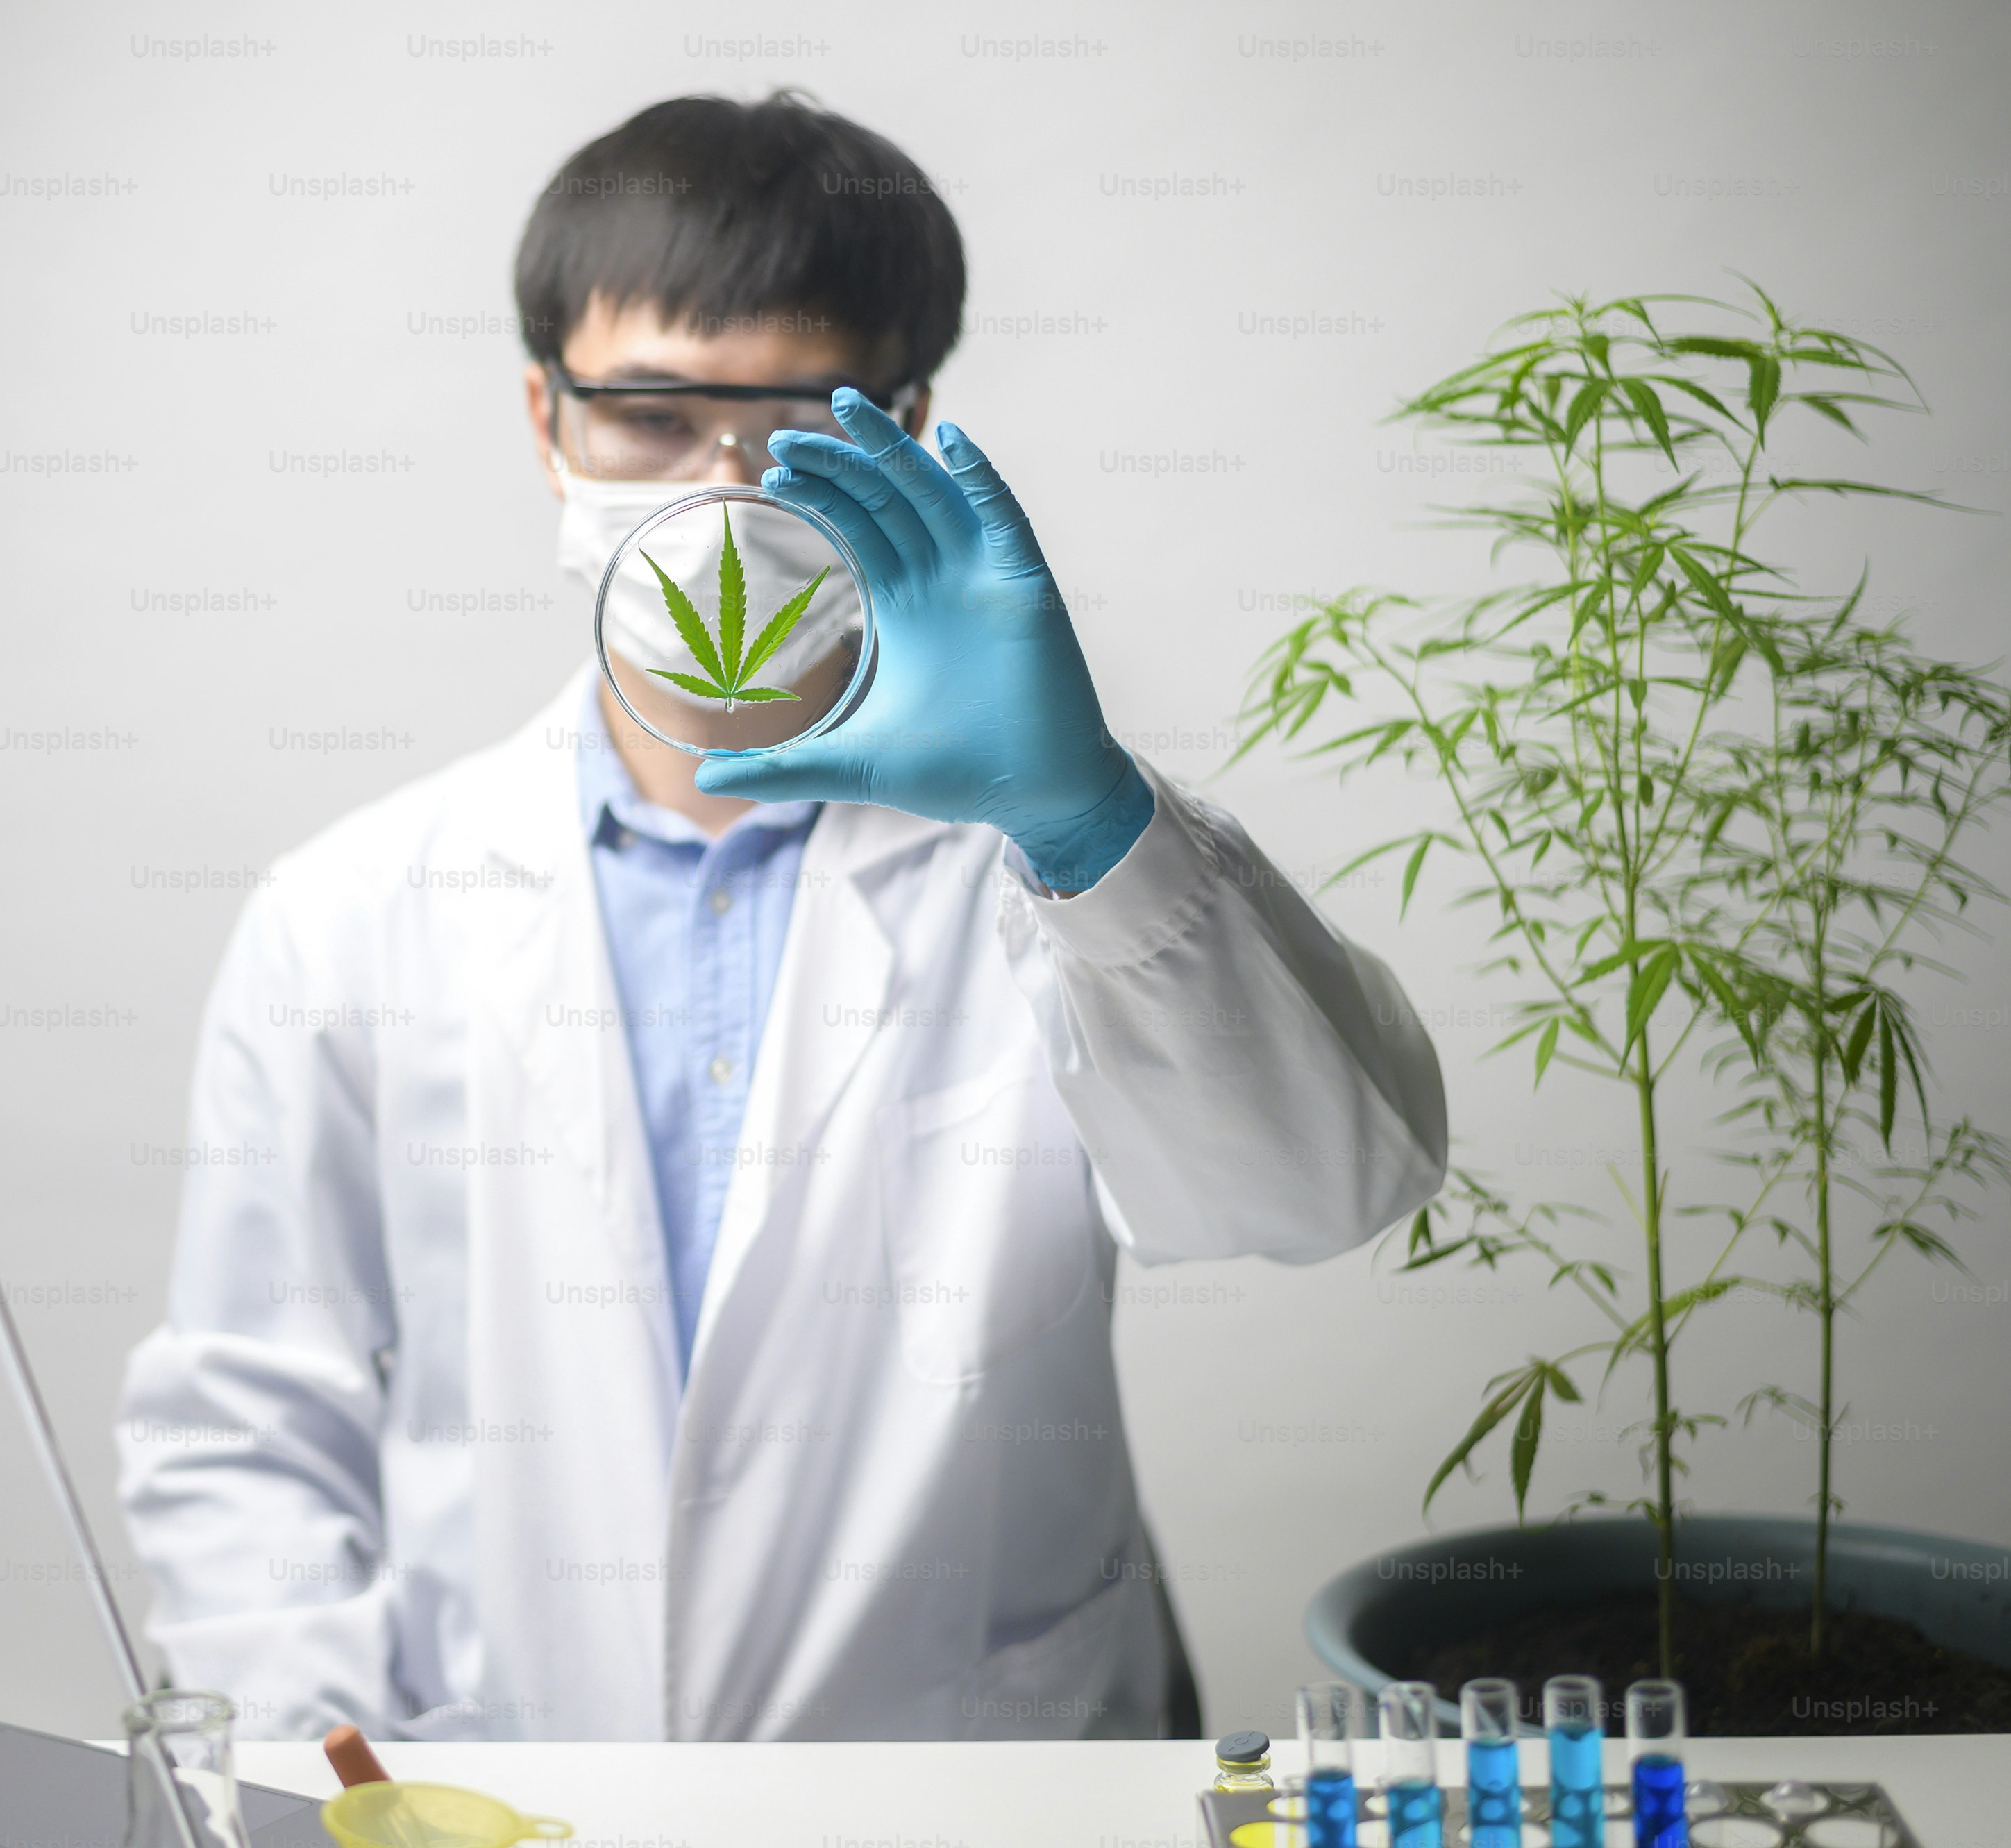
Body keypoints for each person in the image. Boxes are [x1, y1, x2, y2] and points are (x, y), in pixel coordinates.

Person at [116, 93, 1445, 1742]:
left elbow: (1324, 1185)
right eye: (649, 415)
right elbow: (248, 1423)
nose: (723, 487)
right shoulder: (349, 913)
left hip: (974, 1786)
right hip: (518, 1790)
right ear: (545, 418)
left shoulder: (1042, 866)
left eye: (799, 422)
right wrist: (322, 1775)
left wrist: (1082, 813)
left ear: (909, 424)